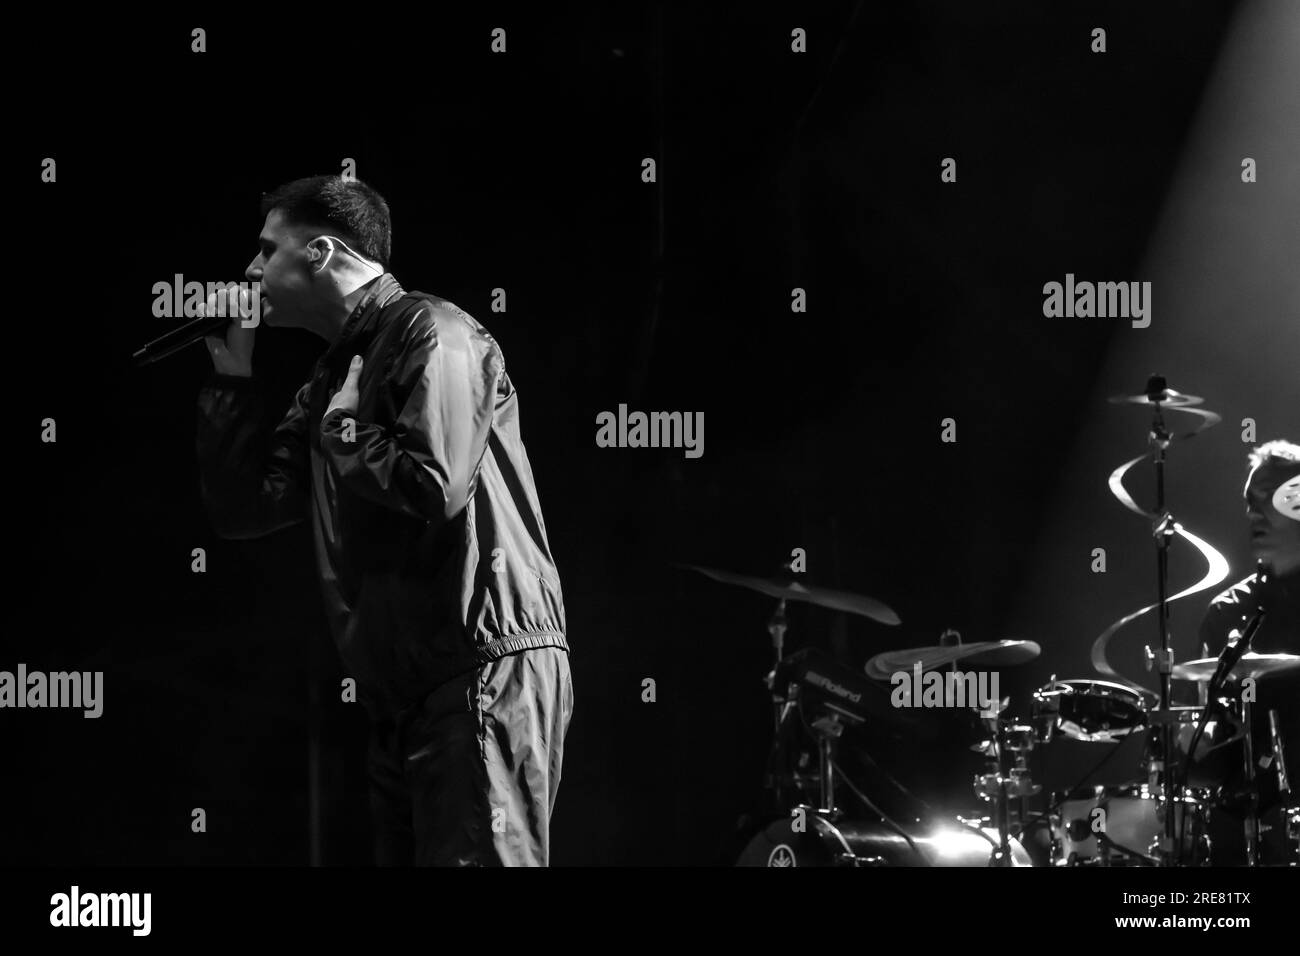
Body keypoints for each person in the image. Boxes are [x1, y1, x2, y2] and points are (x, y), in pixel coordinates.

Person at [194, 174, 573, 866]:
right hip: (407, 689)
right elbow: (246, 510)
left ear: (320, 252)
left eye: (265, 249)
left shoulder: (436, 329)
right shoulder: (331, 375)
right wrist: (233, 382)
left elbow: (434, 483)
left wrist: (342, 431)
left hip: (481, 660)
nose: (250, 271)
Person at [1195, 439, 1299, 864]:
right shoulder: (1227, 613)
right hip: (1251, 818)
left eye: (1267, 500)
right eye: (1248, 502)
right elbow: (1206, 736)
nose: (1253, 514)